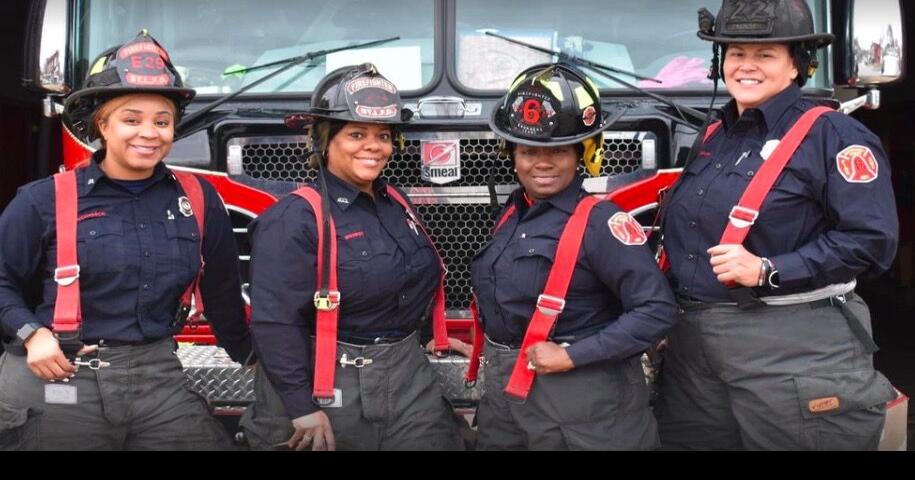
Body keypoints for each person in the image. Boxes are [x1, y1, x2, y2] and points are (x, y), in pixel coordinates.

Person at [655, 0, 899, 450]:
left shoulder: (836, 137)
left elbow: (871, 242)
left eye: (765, 55)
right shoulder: (714, 136)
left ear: (797, 66)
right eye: (735, 53)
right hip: (694, 357)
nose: (746, 66)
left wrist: (768, 270)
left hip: (793, 350)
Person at [0, 31, 252, 450]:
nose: (149, 133)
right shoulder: (43, 200)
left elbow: (223, 294)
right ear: (102, 125)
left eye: (162, 121)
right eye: (131, 120)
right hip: (57, 379)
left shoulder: (199, 199)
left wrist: (260, 361)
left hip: (157, 381)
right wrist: (31, 333)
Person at [242, 63, 464, 451]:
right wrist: (300, 406)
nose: (373, 146)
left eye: (383, 135)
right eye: (356, 134)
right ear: (325, 141)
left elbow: (403, 282)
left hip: (409, 381)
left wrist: (428, 336)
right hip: (326, 387)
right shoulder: (294, 219)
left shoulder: (396, 202)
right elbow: (275, 321)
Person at [469, 63, 678, 450]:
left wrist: (572, 356)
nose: (542, 163)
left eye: (558, 151)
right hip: (508, 400)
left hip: (585, 410)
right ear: (511, 154)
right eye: (529, 150)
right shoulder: (513, 214)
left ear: (582, 155)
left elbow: (657, 311)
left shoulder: (602, 223)